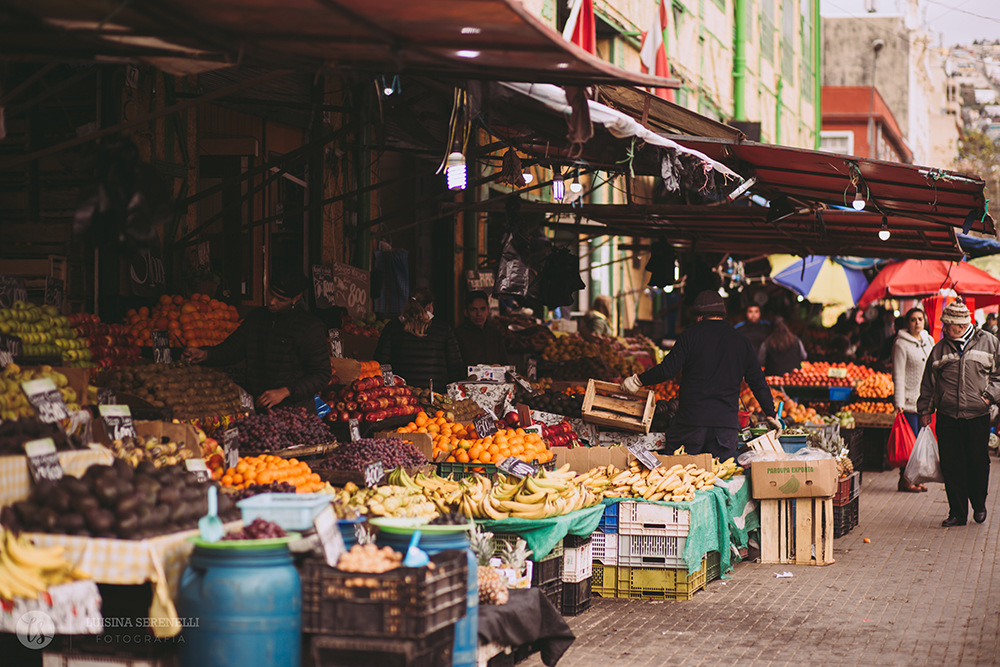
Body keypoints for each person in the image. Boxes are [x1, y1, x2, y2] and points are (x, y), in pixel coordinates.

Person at [618, 290, 781, 460]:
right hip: (724, 428)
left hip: (691, 424)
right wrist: (770, 413)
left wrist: (638, 380)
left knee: (681, 476)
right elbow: (758, 382)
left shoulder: (690, 336)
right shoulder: (741, 341)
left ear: (698, 316)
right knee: (719, 477)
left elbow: (667, 370)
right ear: (722, 314)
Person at [183, 270, 332, 411]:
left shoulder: (310, 327)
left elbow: (321, 375)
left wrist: (285, 392)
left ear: (296, 298)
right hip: (258, 407)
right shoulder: (256, 318)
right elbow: (233, 349)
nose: (272, 302)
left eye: (280, 299)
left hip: (295, 412)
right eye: (270, 294)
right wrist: (205, 354)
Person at [917, 299, 1000, 527]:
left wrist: (988, 397)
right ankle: (958, 513)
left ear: (961, 326)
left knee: (978, 462)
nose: (943, 328)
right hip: (947, 417)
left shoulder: (990, 343)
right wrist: (925, 409)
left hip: (977, 416)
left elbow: (998, 376)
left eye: (947, 325)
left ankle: (979, 504)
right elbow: (929, 384)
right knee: (952, 465)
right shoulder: (939, 349)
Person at [373, 288, 464, 389]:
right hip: (435, 393)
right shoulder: (443, 329)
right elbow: (455, 366)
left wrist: (391, 388)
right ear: (430, 305)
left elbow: (381, 363)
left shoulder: (392, 327)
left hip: (402, 395)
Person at [892, 307, 934, 493]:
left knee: (920, 443)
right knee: (910, 442)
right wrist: (898, 402)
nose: (917, 323)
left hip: (926, 400)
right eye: (913, 320)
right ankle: (905, 479)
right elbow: (898, 374)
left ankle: (915, 477)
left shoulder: (929, 340)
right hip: (908, 401)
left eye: (920, 319)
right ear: (907, 323)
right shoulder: (901, 344)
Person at [454, 290, 509, 367]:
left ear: (488, 311)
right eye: (474, 309)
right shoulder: (458, 335)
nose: (479, 314)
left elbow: (504, 363)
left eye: (482, 309)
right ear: (466, 312)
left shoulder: (494, 333)